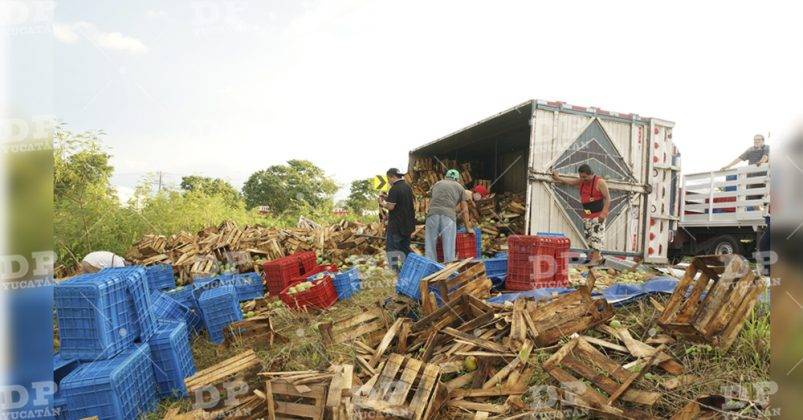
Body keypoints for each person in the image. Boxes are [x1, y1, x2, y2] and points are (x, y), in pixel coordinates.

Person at [551, 164, 611, 265]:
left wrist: (604, 213)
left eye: (584, 177)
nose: (582, 179)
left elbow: (608, 198)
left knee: (597, 235)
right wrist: (558, 178)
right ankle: (599, 257)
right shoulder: (582, 180)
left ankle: (595, 258)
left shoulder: (600, 182)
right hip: (587, 213)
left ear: (591, 174)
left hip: (598, 214)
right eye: (581, 177)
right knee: (589, 236)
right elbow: (570, 182)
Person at [424, 169, 472, 263]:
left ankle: (430, 269)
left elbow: (430, 197)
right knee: (448, 245)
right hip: (448, 217)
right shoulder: (460, 187)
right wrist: (468, 228)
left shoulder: (437, 184)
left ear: (446, 177)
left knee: (430, 244)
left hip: (432, 215)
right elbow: (465, 210)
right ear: (457, 179)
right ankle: (449, 271)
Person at [378, 168, 416, 272]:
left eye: (388, 178)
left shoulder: (394, 188)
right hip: (408, 225)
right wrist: (387, 197)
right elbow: (400, 202)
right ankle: (409, 270)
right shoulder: (407, 187)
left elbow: (391, 207)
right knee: (405, 249)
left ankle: (395, 272)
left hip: (396, 226)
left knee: (392, 250)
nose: (388, 181)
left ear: (392, 177)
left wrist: (382, 203)